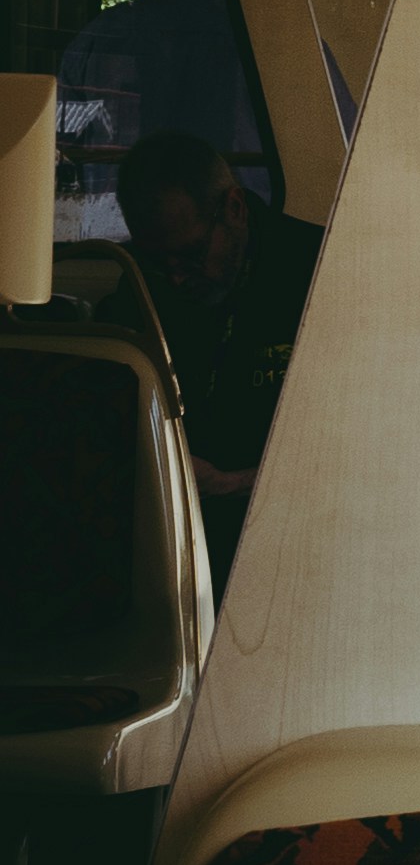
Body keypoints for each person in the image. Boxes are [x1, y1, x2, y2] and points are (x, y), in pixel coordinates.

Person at [116, 131, 323, 595]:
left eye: (190, 254)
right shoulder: (141, 288)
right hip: (170, 544)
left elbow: (363, 452)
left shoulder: (320, 273)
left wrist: (233, 484)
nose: (174, 277)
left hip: (299, 539)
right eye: (156, 260)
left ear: (235, 209)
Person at [56, 0, 267, 234]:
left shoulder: (100, 37)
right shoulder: (273, 46)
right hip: (243, 251)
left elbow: (63, 151)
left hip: (116, 245)